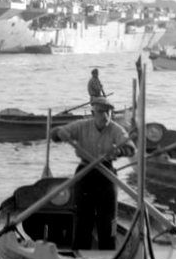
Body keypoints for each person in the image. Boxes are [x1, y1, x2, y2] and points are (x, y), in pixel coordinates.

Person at [51, 96, 135, 250]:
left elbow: (130, 148)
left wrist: (118, 151)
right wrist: (59, 133)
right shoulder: (82, 126)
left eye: (108, 112)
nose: (104, 116)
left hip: (106, 173)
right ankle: (80, 252)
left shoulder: (116, 129)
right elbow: (55, 134)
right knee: (83, 218)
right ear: (93, 112)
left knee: (108, 220)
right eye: (100, 112)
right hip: (85, 172)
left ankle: (108, 252)